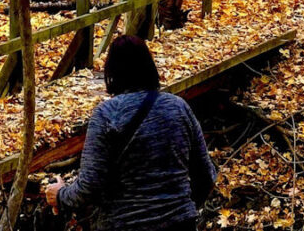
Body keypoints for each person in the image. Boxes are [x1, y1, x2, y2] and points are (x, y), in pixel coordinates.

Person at [44, 35, 216, 231]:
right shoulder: (179, 107)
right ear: (150, 67)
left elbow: (89, 187)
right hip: (180, 222)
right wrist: (179, 208)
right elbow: (206, 176)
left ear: (112, 72)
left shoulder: (106, 115)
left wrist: (60, 195)